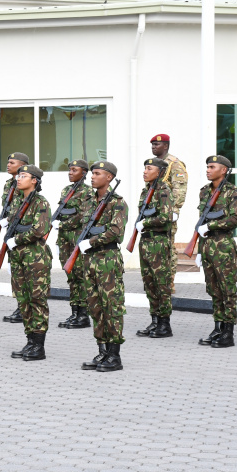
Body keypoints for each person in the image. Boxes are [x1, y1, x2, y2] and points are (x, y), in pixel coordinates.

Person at [77, 161, 128, 372]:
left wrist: (91, 241)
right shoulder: (89, 201)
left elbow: (116, 232)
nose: (92, 176)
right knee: (95, 307)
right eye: (92, 173)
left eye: (97, 173)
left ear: (109, 177)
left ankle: (114, 355)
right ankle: (102, 350)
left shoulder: (118, 203)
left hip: (107, 259)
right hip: (89, 260)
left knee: (111, 307)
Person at [196, 155, 237, 348]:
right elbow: (201, 223)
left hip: (223, 246)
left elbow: (236, 218)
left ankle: (228, 332)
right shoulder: (204, 192)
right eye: (207, 166)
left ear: (223, 170)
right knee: (213, 289)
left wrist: (212, 225)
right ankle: (218, 327)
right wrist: (199, 249)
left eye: (211, 167)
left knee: (227, 290)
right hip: (207, 246)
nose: (207, 170)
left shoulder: (232, 192)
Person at [6, 165, 52, 361]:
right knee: (23, 299)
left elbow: (39, 230)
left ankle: (39, 346)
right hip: (18, 258)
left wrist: (16, 240)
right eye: (18, 175)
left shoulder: (41, 203)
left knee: (37, 300)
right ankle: (30, 341)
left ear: (34, 180)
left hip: (35, 258)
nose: (18, 178)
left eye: (23, 176)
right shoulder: (18, 201)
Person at [135, 158, 175, 338]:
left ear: (159, 172)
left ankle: (165, 324)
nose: (144, 171)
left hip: (158, 242)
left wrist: (146, 223)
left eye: (149, 168)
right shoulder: (146, 191)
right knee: (149, 283)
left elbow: (166, 217)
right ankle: (155, 320)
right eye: (144, 168)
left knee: (161, 283)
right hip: (145, 242)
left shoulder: (163, 191)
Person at [54, 159, 95, 329]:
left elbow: (83, 216)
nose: (70, 172)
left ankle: (83, 314)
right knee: (71, 277)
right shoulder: (66, 190)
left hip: (76, 238)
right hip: (64, 239)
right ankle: (74, 312)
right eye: (69, 170)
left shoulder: (87, 193)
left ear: (84, 173)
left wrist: (62, 224)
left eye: (74, 170)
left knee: (80, 276)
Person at [150, 134, 187, 284]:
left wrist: (175, 210)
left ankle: (169, 281)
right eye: (152, 144)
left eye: (156, 144)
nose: (153, 147)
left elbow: (180, 188)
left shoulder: (174, 164)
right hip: (154, 212)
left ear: (165, 146)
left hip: (167, 212)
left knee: (167, 247)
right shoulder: (154, 164)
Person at [0, 152, 30, 323]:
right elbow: (8, 206)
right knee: (14, 271)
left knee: (24, 272)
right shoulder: (9, 184)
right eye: (8, 161)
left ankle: (24, 308)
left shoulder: (26, 182)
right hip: (10, 230)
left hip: (21, 232)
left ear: (22, 164)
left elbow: (21, 208)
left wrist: (10, 220)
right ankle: (19, 305)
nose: (8, 164)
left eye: (12, 162)